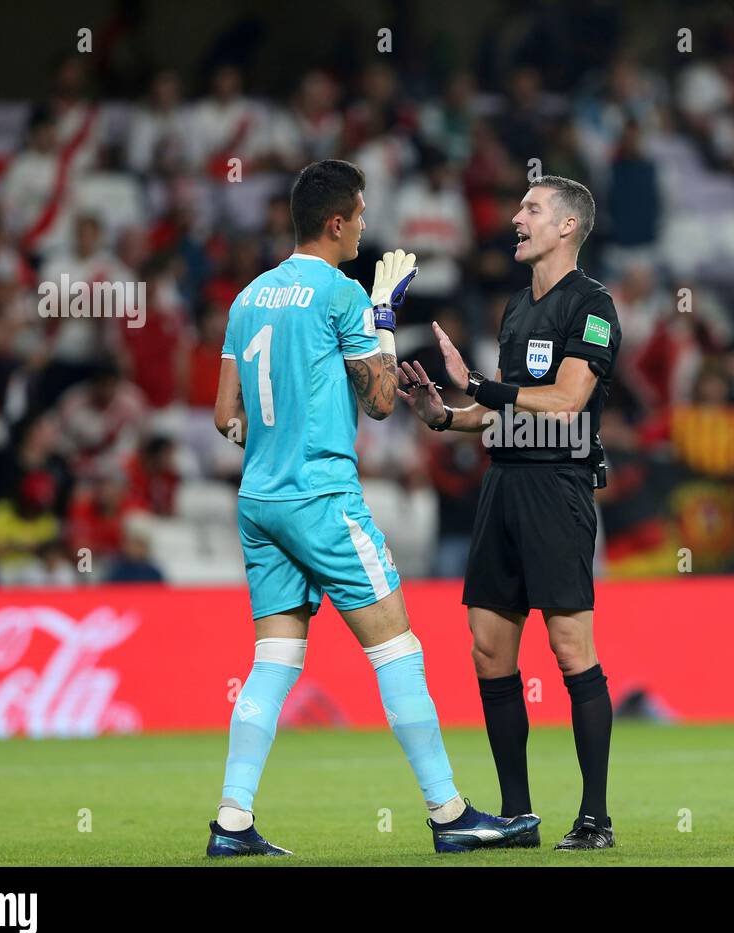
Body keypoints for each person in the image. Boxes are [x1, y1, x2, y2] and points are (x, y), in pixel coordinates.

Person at [208, 159, 534, 857]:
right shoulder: (342, 295)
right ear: (335, 222)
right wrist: (384, 316)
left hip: (260, 500)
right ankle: (449, 814)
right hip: (321, 497)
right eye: (358, 214)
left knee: (273, 658)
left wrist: (274, 431)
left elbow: (222, 415)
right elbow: (383, 404)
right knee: (397, 648)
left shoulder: (248, 298)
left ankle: (232, 822)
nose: (364, 224)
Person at [398, 175, 621, 850]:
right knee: (488, 648)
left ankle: (595, 819)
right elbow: (504, 415)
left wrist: (480, 385)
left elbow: (565, 403)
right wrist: (444, 415)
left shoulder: (594, 305)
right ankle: (517, 817)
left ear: (566, 228)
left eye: (531, 209)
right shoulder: (516, 310)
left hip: (558, 487)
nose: (516, 218)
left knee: (568, 646)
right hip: (505, 485)